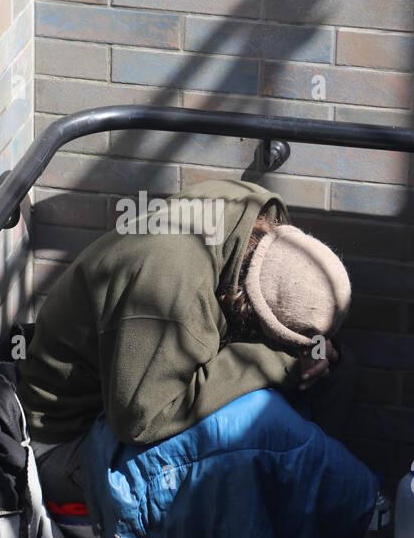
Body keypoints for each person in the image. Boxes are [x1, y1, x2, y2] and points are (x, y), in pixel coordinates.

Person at [18, 178, 356, 515]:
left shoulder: (247, 212)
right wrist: (278, 361)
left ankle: (315, 502)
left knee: (338, 371)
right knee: (259, 434)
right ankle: (286, 523)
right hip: (66, 442)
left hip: (138, 384)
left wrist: (311, 352)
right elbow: (141, 421)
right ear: (254, 310)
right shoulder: (167, 293)